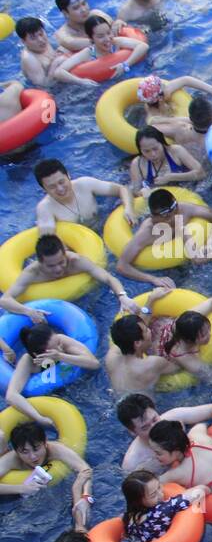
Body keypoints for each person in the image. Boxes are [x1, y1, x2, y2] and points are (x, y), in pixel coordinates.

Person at [106, 292, 212, 391]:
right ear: (137, 343)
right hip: (141, 404)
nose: (149, 329)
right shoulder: (152, 363)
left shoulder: (112, 356)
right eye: (146, 330)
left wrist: (151, 300)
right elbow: (210, 376)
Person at [0, 234, 141, 321]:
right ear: (40, 262)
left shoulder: (77, 261)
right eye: (51, 266)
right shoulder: (32, 273)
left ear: (65, 254)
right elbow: (5, 300)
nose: (58, 268)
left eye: (61, 262)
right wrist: (28, 311)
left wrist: (122, 296)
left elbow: (108, 278)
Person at [116, 393, 212, 474]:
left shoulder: (174, 417)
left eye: (155, 419)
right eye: (145, 427)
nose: (154, 427)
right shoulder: (133, 463)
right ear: (132, 432)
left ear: (156, 411)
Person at [115, 189, 212, 286]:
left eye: (175, 212)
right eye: (166, 217)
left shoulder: (185, 209)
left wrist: (210, 242)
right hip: (163, 269)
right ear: (153, 216)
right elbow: (122, 266)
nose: (172, 219)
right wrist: (153, 279)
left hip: (191, 259)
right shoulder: (146, 233)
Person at [4, 323, 100, 427]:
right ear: (40, 355)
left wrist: (60, 356)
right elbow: (11, 395)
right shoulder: (28, 361)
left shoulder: (61, 340)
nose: (60, 346)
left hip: (82, 386)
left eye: (58, 342)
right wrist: (39, 418)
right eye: (55, 347)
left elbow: (95, 364)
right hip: (52, 398)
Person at [0, 421, 94, 526]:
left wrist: (85, 497)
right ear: (16, 452)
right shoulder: (11, 459)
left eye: (36, 449)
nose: (33, 456)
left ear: (45, 443)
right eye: (25, 452)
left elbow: (85, 469)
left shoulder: (56, 450)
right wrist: (21, 488)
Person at [34, 159, 133, 233]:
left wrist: (128, 208)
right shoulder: (45, 208)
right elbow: (49, 240)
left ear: (68, 175)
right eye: (52, 187)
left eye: (61, 182)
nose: (60, 189)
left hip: (104, 227)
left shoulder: (85, 184)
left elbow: (122, 189)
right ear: (44, 189)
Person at [117, 471, 205, 542]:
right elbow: (200, 490)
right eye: (153, 495)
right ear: (138, 501)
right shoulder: (162, 511)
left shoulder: (128, 515)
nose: (160, 494)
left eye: (159, 487)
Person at [58, 16, 148, 81]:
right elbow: (59, 71)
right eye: (100, 36)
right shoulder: (88, 53)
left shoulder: (116, 42)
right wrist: (81, 81)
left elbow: (143, 46)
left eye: (108, 33)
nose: (107, 39)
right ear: (91, 38)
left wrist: (125, 64)